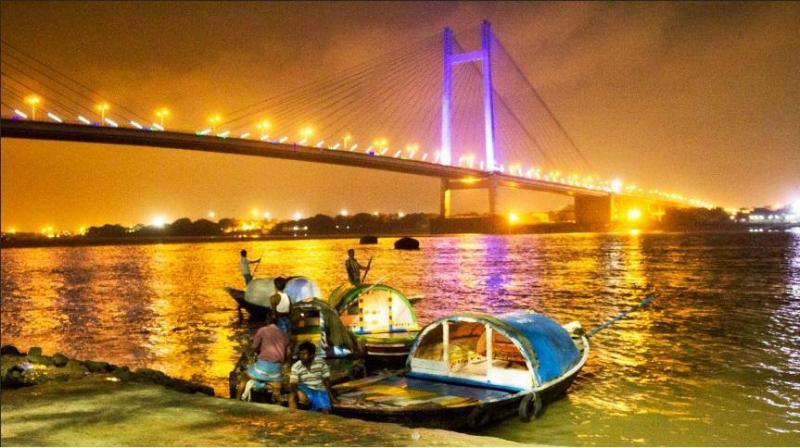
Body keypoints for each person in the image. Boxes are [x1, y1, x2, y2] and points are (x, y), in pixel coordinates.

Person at [242, 311, 290, 403]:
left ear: (267, 320)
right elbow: (288, 353)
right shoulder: (284, 334)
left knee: (244, 376)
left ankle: (238, 399)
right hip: (276, 372)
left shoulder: (263, 330)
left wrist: (250, 352)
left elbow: (254, 347)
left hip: (262, 368)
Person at [288, 341, 335, 414]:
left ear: (312, 355)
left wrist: (331, 397)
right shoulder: (296, 366)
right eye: (300, 353)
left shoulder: (321, 362)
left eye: (304, 354)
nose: (301, 356)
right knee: (297, 392)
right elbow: (293, 384)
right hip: (305, 388)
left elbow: (326, 380)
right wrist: (292, 399)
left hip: (319, 389)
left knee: (325, 411)